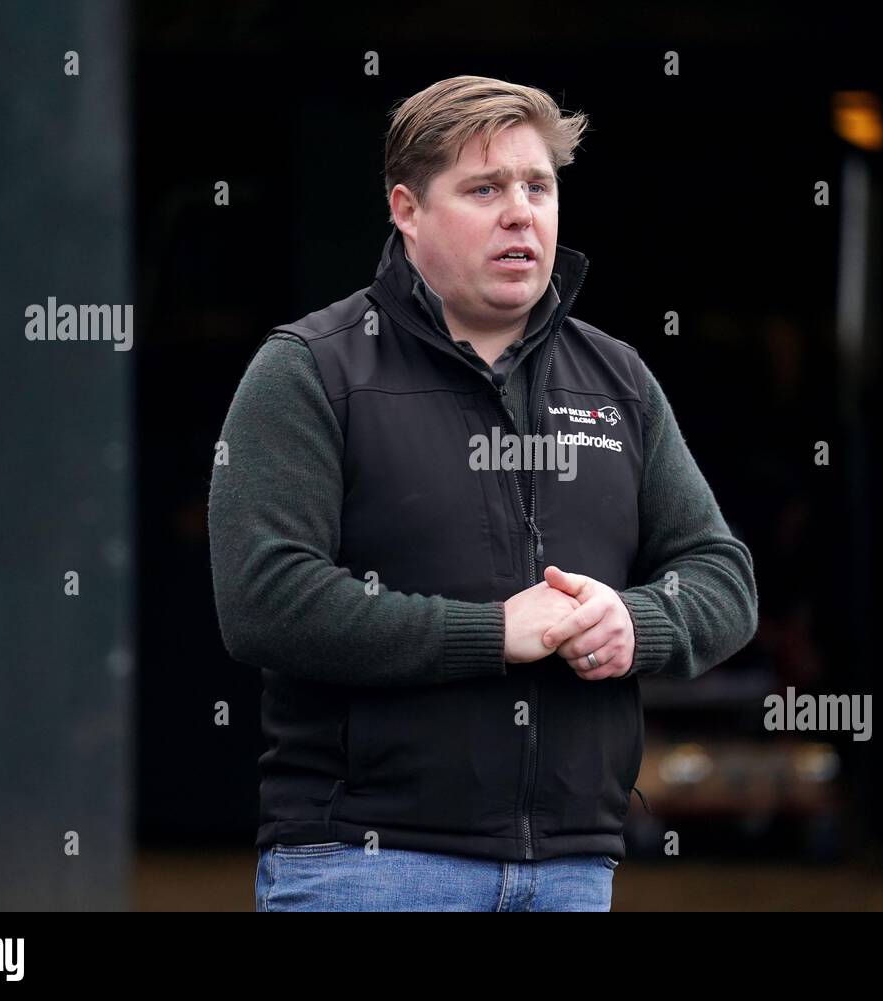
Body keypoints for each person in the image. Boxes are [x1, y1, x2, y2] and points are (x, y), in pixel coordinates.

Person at [208, 75, 758, 911]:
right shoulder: (313, 371)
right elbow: (265, 600)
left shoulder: (618, 382)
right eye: (484, 188)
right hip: (367, 864)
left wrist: (636, 622)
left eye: (538, 185)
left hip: (572, 871)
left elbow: (722, 575)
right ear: (407, 208)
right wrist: (491, 632)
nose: (520, 211)